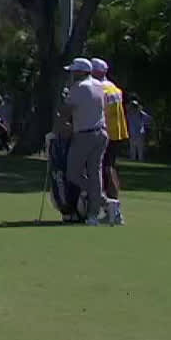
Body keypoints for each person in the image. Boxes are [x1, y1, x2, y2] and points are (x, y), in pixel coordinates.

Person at [64, 58, 108, 226]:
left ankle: (101, 200)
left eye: (74, 71)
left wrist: (57, 130)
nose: (72, 74)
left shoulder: (79, 87)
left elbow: (66, 111)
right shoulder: (100, 85)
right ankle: (95, 212)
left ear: (82, 72)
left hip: (85, 135)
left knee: (73, 173)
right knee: (94, 174)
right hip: (101, 133)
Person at [91, 58, 126, 226]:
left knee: (105, 170)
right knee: (110, 168)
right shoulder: (113, 87)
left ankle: (113, 208)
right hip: (117, 132)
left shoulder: (100, 88)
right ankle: (115, 208)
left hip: (107, 132)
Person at [128, 98, 152, 162]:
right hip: (132, 132)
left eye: (135, 106)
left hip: (140, 133)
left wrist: (140, 111)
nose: (133, 107)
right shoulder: (129, 114)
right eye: (132, 106)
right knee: (132, 147)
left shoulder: (141, 114)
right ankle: (133, 159)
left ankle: (140, 159)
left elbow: (149, 119)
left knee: (140, 148)